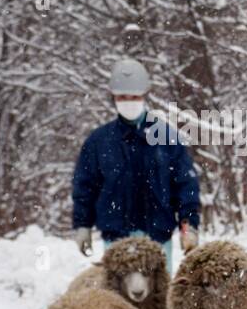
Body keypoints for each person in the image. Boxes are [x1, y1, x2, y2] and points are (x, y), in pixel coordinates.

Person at [72, 58, 200, 273]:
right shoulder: (99, 141)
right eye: (123, 97)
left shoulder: (166, 137)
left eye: (134, 96)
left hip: (158, 237)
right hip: (116, 240)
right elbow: (85, 187)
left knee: (157, 299)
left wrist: (189, 225)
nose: (128, 101)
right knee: (117, 302)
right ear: (114, 97)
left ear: (144, 95)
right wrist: (82, 225)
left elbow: (185, 184)